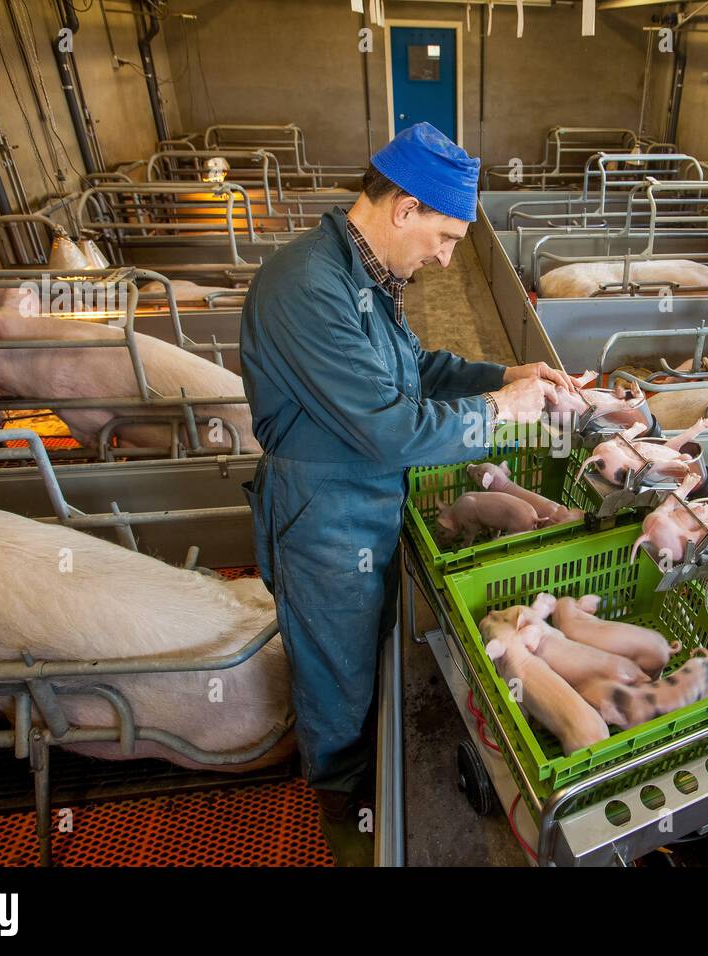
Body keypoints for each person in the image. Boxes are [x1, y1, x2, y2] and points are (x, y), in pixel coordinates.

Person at [239, 122, 572, 865]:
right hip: (325, 515)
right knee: (338, 677)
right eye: (446, 236)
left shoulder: (362, 276)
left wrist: (504, 377)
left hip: (366, 497)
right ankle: (347, 818)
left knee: (366, 652)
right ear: (404, 208)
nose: (447, 256)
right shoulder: (307, 286)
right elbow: (389, 429)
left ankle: (367, 781)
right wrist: (496, 416)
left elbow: (416, 371)